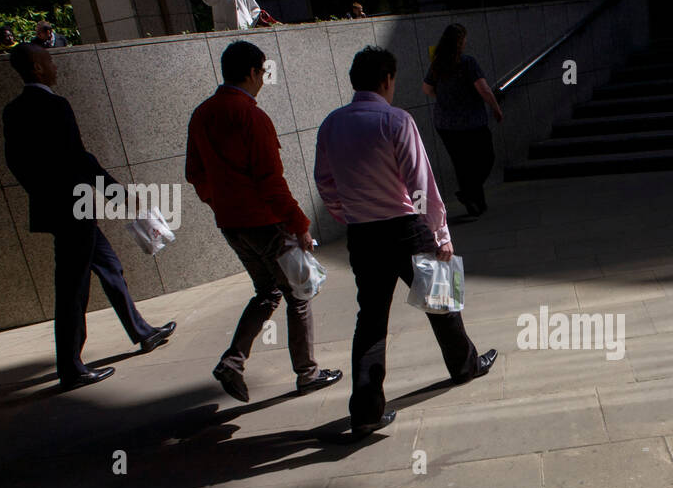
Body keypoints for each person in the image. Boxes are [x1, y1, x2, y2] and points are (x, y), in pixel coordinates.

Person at [315, 46, 496, 439]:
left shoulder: (331, 124)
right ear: (386, 80)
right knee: (441, 301)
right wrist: (441, 233)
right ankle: (464, 366)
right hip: (405, 226)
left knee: (371, 319)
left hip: (363, 233)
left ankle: (364, 411)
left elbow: (325, 183)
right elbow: (421, 185)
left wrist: (347, 215)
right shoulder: (396, 120)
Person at [2, 44, 176, 390]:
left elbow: (16, 163)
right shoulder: (55, 105)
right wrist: (119, 194)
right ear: (36, 69)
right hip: (73, 210)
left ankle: (143, 332)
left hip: (57, 209)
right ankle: (71, 368)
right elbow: (79, 159)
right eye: (49, 61)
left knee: (109, 266)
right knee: (72, 289)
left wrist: (44, 194)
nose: (54, 66)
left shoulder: (13, 111)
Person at [185, 41, 342, 404]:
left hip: (231, 223)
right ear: (254, 72)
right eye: (263, 72)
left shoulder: (202, 114)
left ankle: (233, 360)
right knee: (298, 293)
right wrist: (299, 222)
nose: (263, 79)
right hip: (265, 222)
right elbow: (271, 181)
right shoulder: (252, 116)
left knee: (268, 291)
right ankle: (307, 373)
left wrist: (219, 201)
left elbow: (195, 173)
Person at [422, 24, 503, 217]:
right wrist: (496, 108)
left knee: (462, 164)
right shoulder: (467, 62)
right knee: (485, 157)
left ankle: (476, 203)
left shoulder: (438, 63)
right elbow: (483, 88)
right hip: (471, 122)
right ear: (460, 41)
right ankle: (469, 194)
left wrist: (444, 97)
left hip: (446, 124)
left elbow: (427, 89)